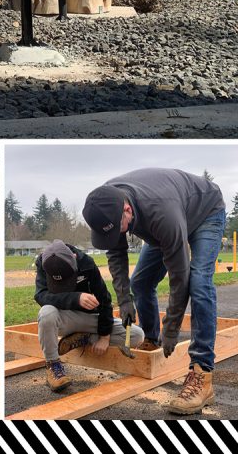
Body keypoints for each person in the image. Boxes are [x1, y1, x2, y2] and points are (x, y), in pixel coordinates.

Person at [83, 168, 226, 415]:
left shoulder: (161, 214)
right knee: (140, 283)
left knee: (199, 283)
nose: (116, 235)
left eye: (117, 229)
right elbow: (116, 255)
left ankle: (202, 373)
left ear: (127, 210)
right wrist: (125, 300)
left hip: (205, 212)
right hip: (172, 214)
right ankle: (151, 339)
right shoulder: (106, 203)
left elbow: (179, 277)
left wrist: (172, 326)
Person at [34, 239, 145, 392]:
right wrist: (75, 298)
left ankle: (86, 337)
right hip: (66, 319)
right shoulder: (44, 263)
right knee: (46, 313)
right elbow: (40, 295)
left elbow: (105, 299)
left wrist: (104, 337)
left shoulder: (86, 263)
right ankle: (53, 366)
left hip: (91, 318)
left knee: (137, 336)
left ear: (73, 258)